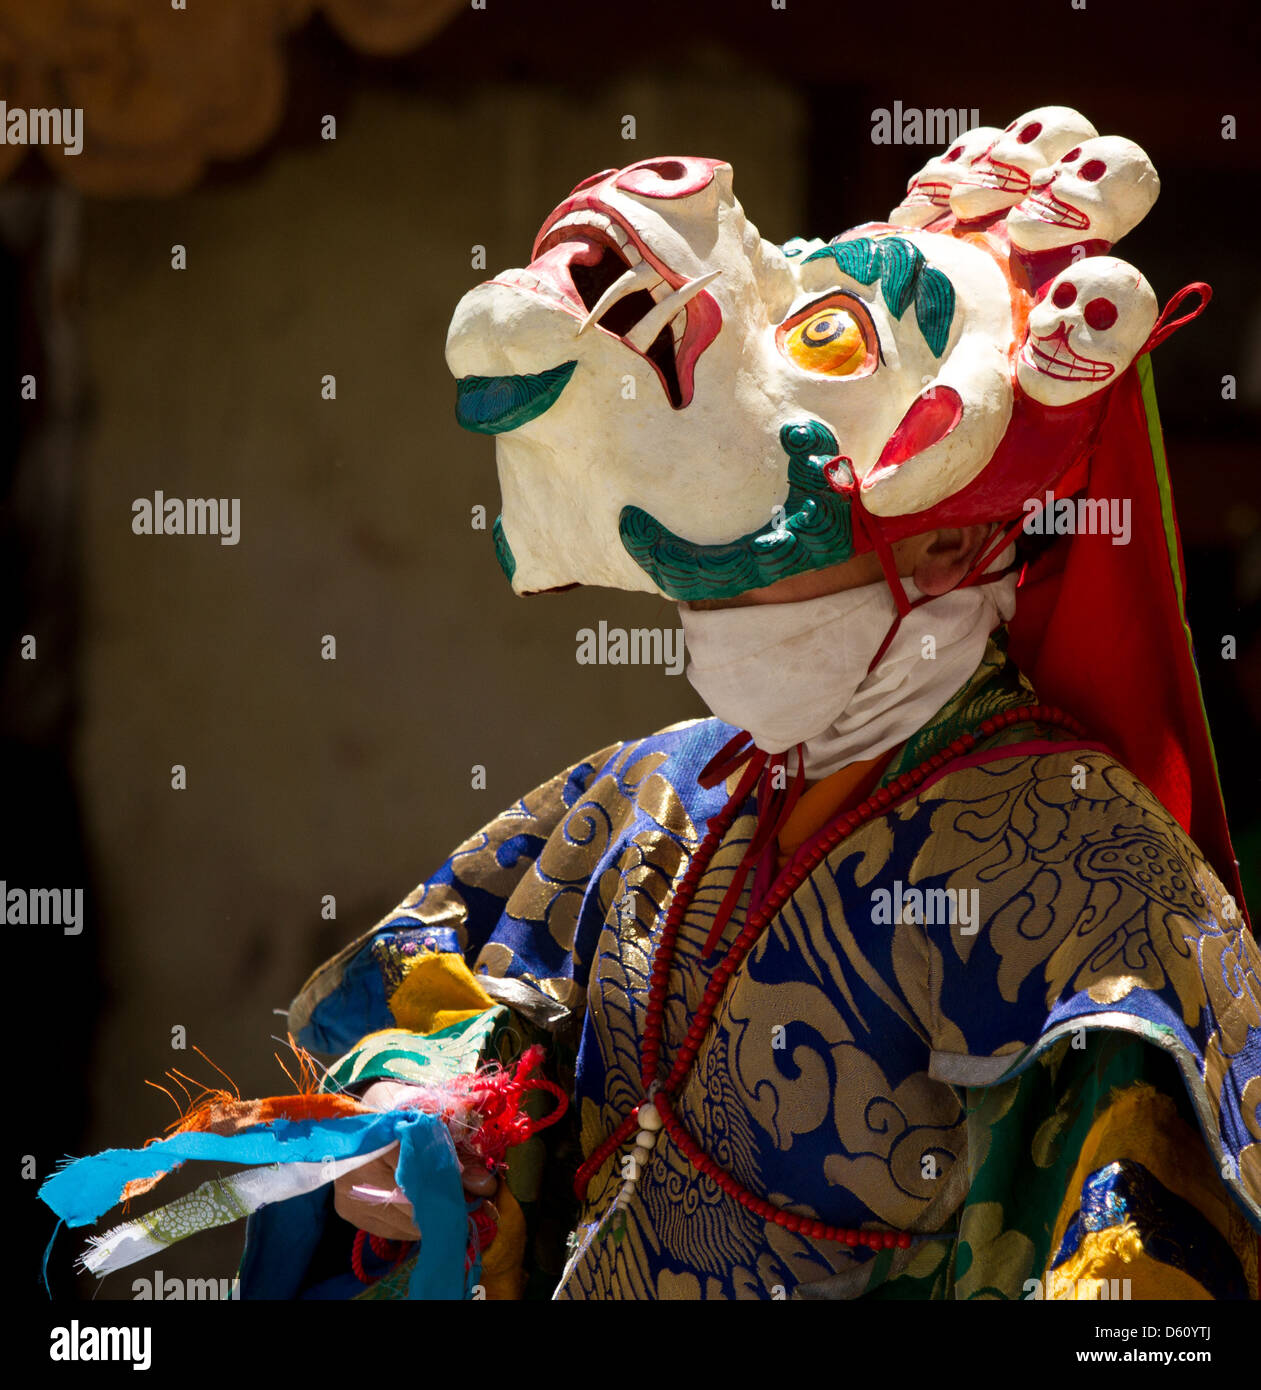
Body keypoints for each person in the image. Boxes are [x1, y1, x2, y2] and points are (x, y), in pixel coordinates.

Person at [42, 110, 1260, 1301]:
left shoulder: (1098, 886)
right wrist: (446, 1130)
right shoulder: (648, 792)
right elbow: (473, 1009)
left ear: (951, 543)